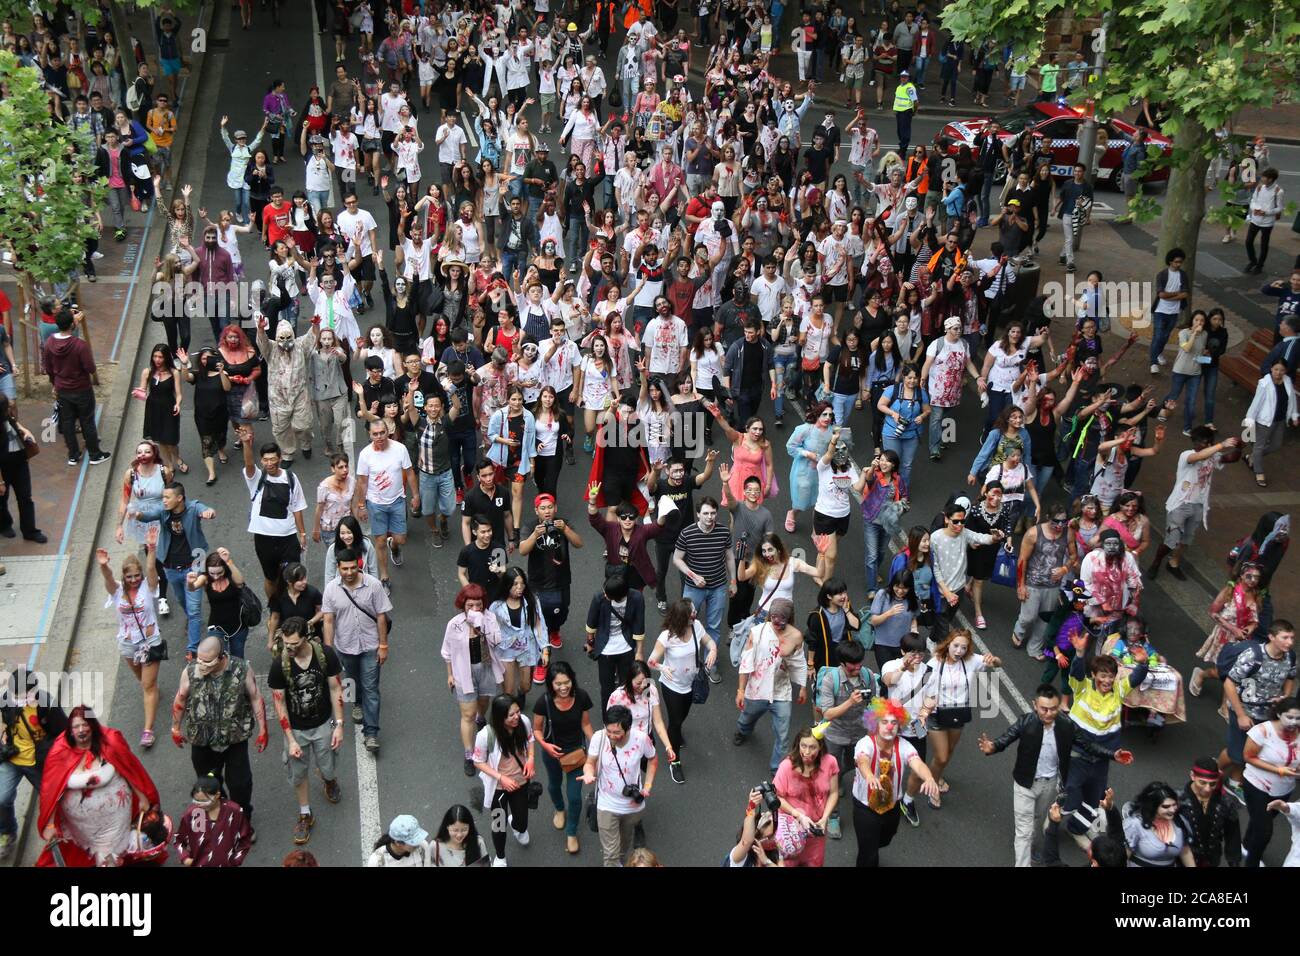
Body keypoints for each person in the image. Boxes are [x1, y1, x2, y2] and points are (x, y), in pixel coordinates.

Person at [978, 683, 1111, 867]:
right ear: (1035, 705)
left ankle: (1028, 846)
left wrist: (1113, 754)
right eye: (1044, 709)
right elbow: (1006, 738)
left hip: (1050, 785)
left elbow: (1088, 745)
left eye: (1053, 709)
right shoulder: (1026, 722)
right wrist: (992, 747)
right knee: (1024, 831)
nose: (1048, 713)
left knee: (1036, 819)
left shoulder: (1066, 725)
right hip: (1025, 785)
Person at [37, 707, 159, 867]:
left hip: (115, 820)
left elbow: (129, 771)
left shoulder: (111, 742)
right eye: (76, 727)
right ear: (70, 730)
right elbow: (53, 792)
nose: (81, 731)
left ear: (93, 725)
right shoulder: (59, 753)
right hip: (81, 827)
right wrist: (51, 824)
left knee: (108, 857)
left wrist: (142, 797)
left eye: (85, 725)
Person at [171, 634, 268, 831]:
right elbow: (180, 699)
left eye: (207, 662)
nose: (202, 666)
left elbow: (256, 697)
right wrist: (175, 728)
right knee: (208, 783)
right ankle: (221, 812)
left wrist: (263, 729)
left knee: (240, 784)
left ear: (221, 656)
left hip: (234, 740)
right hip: (202, 742)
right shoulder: (190, 671)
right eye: (199, 660)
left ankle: (242, 821)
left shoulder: (241, 669)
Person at [267, 616, 345, 847]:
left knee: (328, 764)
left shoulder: (325, 655)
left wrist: (339, 725)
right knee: (298, 773)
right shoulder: (280, 664)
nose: (289, 648)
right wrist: (290, 739)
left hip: (324, 723)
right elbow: (279, 703)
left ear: (306, 637)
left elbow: (335, 687)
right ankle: (305, 814)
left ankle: (329, 780)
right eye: (286, 644)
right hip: (297, 730)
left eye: (294, 644)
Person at [1061, 651, 1139, 849]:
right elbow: (1077, 673)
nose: (1107, 680)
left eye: (1111, 676)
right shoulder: (1083, 688)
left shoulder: (1119, 691)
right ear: (1094, 675)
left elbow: (1137, 677)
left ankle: (1076, 827)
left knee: (1095, 799)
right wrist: (1079, 655)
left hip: (1102, 758)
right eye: (1102, 675)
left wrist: (1144, 663)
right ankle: (1054, 819)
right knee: (1071, 793)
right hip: (1078, 754)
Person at [852, 697, 941, 866]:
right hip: (865, 806)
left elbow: (918, 763)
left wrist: (929, 778)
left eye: (894, 722)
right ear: (875, 724)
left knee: (885, 839)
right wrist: (870, 776)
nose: (889, 726)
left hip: (892, 805)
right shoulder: (865, 743)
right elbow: (863, 760)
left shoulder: (905, 746)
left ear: (899, 725)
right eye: (884, 721)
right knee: (868, 854)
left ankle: (872, 844)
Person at [96, 533, 165, 749]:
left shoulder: (148, 586)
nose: (134, 580)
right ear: (124, 577)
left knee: (147, 684)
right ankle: (153, 692)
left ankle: (148, 730)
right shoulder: (117, 591)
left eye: (137, 575)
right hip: (127, 643)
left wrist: (151, 549)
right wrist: (104, 566)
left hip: (150, 641)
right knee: (140, 678)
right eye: (130, 577)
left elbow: (152, 571)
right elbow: (108, 580)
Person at [132, 480, 216, 656]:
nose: (163, 500)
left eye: (167, 497)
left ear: (179, 498)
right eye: (163, 497)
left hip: (195, 563)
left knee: (193, 610)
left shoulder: (193, 508)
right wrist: (137, 514)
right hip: (170, 566)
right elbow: (149, 515)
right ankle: (194, 620)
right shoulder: (163, 512)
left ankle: (193, 647)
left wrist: (209, 512)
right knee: (181, 600)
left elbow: (204, 509)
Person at [322, 548, 392, 755]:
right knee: (350, 681)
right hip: (345, 646)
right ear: (338, 568)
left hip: (370, 646)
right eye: (345, 568)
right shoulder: (331, 589)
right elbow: (328, 620)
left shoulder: (373, 585)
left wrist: (383, 645)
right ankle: (356, 703)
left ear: (359, 565)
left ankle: (371, 734)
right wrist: (328, 651)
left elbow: (381, 616)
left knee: (371, 687)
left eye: (353, 567)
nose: (350, 572)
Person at [1148, 426, 1241, 579]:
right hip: (1180, 504)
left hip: (1199, 504)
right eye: (1202, 442)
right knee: (1171, 541)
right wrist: (1222, 445)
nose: (1204, 445)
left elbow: (1230, 458)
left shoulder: (1212, 455)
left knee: (1186, 539)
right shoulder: (1187, 455)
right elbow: (1197, 457)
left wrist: (1239, 448)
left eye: (1207, 443)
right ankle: (1156, 562)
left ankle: (1173, 563)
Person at [922, 628, 1000, 809]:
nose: (959, 651)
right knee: (941, 756)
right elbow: (923, 688)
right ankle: (932, 786)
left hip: (958, 714)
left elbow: (997, 664)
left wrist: (994, 660)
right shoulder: (934, 663)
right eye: (956, 646)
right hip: (937, 715)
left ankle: (938, 775)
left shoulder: (971, 661)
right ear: (948, 644)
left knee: (949, 750)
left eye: (963, 648)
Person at [0, 669, 67, 862]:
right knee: (1, 799)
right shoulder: (7, 699)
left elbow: (62, 733)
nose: (23, 699)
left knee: (55, 801)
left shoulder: (46, 704)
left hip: (39, 762)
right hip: (12, 757)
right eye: (18, 696)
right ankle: (7, 832)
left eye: (27, 695)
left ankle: (66, 834)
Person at [580, 703, 658, 867]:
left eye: (617, 732)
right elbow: (590, 762)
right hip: (606, 804)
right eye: (609, 731)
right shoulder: (599, 738)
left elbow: (653, 759)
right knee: (611, 854)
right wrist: (588, 773)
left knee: (623, 849)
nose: (611, 736)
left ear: (628, 729)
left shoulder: (641, 739)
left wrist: (648, 785)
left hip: (631, 806)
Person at [735, 598, 807, 773]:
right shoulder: (757, 632)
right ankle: (743, 731)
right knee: (748, 717)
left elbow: (798, 662)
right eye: (773, 616)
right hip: (757, 689)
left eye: (781, 618)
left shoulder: (796, 636)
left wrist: (803, 686)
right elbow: (746, 662)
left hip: (780, 691)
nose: (776, 621)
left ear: (788, 618)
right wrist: (741, 690)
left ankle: (777, 769)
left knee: (783, 735)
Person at [532, 661, 596, 855]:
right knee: (553, 785)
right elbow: (536, 729)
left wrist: (595, 744)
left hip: (576, 753)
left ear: (572, 680)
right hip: (552, 752)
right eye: (558, 684)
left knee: (575, 796)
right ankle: (560, 809)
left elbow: (585, 724)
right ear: (551, 684)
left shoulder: (582, 696)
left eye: (566, 682)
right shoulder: (543, 701)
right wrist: (545, 745)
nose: (563, 687)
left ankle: (571, 832)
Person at [238, 424, 308, 601]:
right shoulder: (257, 478)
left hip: (288, 537)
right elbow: (248, 464)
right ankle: (274, 607)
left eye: (272, 459)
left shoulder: (291, 478)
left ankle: (294, 606)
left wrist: (302, 533)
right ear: (261, 461)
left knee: (294, 575)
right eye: (265, 460)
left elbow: (297, 506)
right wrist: (246, 444)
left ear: (279, 459)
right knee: (271, 578)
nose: (269, 463)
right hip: (264, 538)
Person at [354, 417, 419, 590]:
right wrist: (361, 506)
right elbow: (362, 482)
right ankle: (384, 577)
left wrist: (416, 495)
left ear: (387, 432)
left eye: (382, 432)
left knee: (401, 539)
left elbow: (410, 473)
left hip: (397, 500)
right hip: (375, 504)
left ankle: (395, 545)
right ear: (370, 434)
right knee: (380, 541)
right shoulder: (365, 455)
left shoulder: (400, 449)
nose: (379, 437)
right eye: (375, 434)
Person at [673, 496, 735, 678]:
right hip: (693, 588)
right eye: (706, 513)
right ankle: (686, 660)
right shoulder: (687, 533)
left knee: (714, 626)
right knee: (686, 623)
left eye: (713, 513)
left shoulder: (723, 532)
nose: (710, 517)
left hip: (718, 587)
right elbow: (677, 559)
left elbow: (729, 557)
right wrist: (693, 575)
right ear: (698, 514)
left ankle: (710, 663)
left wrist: (733, 581)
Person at [473, 693, 536, 867]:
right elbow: (478, 762)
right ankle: (500, 856)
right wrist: (501, 778)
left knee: (522, 821)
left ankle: (517, 826)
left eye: (517, 711)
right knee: (499, 825)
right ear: (500, 717)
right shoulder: (486, 735)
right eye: (511, 715)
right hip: (498, 788)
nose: (517, 717)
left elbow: (530, 738)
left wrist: (531, 758)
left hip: (521, 782)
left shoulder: (523, 721)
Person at [42, 308, 110, 467]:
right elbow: (90, 368)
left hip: (62, 389)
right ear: (73, 324)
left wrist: (55, 383)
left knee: (67, 422)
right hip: (81, 388)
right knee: (87, 421)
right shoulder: (80, 345)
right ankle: (94, 454)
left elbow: (48, 367)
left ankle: (73, 455)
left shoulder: (50, 343)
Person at [520, 492, 584, 651]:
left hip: (561, 579)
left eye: (550, 507)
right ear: (536, 511)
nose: (547, 511)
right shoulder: (530, 526)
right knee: (539, 612)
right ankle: (541, 638)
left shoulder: (563, 523)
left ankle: (555, 630)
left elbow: (579, 543)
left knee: (562, 610)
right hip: (538, 580)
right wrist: (535, 535)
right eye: (542, 508)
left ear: (555, 508)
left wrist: (566, 530)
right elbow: (522, 550)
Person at [773, 727, 840, 866]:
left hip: (816, 830)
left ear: (820, 747)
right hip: (790, 831)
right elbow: (777, 796)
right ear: (798, 744)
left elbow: (834, 792)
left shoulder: (830, 762)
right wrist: (797, 814)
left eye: (812, 747)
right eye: (803, 746)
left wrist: (824, 819)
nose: (807, 752)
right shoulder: (786, 766)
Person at [585, 570, 646, 720]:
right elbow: (591, 623)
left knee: (626, 685)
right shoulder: (599, 597)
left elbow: (639, 625)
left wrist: (639, 652)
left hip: (626, 646)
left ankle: (625, 716)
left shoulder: (636, 598)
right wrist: (591, 643)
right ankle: (609, 718)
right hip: (605, 648)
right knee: (607, 688)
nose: (604, 594)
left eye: (608, 594)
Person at [490, 567, 549, 703]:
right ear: (507, 585)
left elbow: (539, 625)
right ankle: (510, 708)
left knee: (526, 686)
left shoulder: (532, 601)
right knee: (508, 691)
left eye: (522, 583)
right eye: (515, 584)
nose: (520, 587)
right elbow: (491, 629)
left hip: (526, 647)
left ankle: (521, 693)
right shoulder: (496, 605)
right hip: (505, 649)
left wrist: (544, 648)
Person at [176, 774, 253, 867]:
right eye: (196, 801)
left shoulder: (234, 811)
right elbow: (179, 840)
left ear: (217, 795)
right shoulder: (192, 814)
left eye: (204, 801)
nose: (200, 805)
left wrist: (236, 860)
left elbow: (245, 839)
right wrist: (185, 858)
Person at [1243, 359, 1298, 488]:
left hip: (1280, 420)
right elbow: (1256, 402)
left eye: (1282, 370)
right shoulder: (1264, 383)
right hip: (1265, 420)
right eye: (1276, 370)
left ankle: (1253, 457)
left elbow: (1292, 400)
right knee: (1259, 446)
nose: (1278, 373)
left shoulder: (1287, 381)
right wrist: (1250, 418)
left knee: (1276, 445)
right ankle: (1259, 472)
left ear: (1286, 371)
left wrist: (1294, 415)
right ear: (1271, 369)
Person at [1179, 758, 1242, 867]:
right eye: (1202, 783)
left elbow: (1232, 834)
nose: (1207, 789)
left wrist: (1234, 861)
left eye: (1212, 784)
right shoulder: (1178, 801)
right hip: (1182, 858)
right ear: (1192, 776)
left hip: (1211, 858)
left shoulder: (1226, 803)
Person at [1119, 782, 1197, 867]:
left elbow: (1185, 852)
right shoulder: (1135, 824)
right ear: (1153, 806)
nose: (1172, 810)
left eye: (1174, 805)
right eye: (1166, 806)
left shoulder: (1179, 821)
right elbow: (1122, 857)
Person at [367, 814, 432, 867]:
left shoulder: (423, 847)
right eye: (413, 841)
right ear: (398, 843)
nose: (418, 843)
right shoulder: (377, 861)